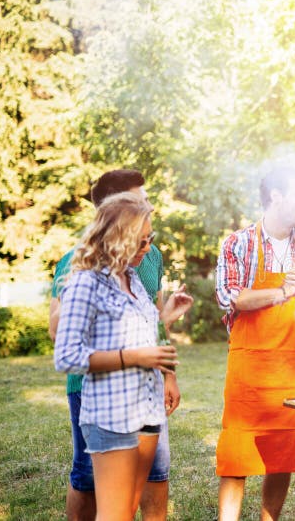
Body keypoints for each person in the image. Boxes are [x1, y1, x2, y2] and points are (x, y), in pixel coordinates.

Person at [49, 169, 188, 521]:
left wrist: (164, 316)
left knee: (131, 506)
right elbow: (66, 354)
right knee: (114, 514)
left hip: (147, 410)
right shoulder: (84, 281)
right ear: (117, 237)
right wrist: (134, 357)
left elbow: (143, 329)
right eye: (141, 240)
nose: (148, 247)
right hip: (112, 415)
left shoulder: (133, 279)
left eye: (149, 238)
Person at [215, 166, 295, 521]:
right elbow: (231, 297)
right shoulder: (240, 243)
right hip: (249, 369)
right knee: (236, 457)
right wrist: (283, 291)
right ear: (277, 197)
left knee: (281, 457)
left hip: (291, 367)